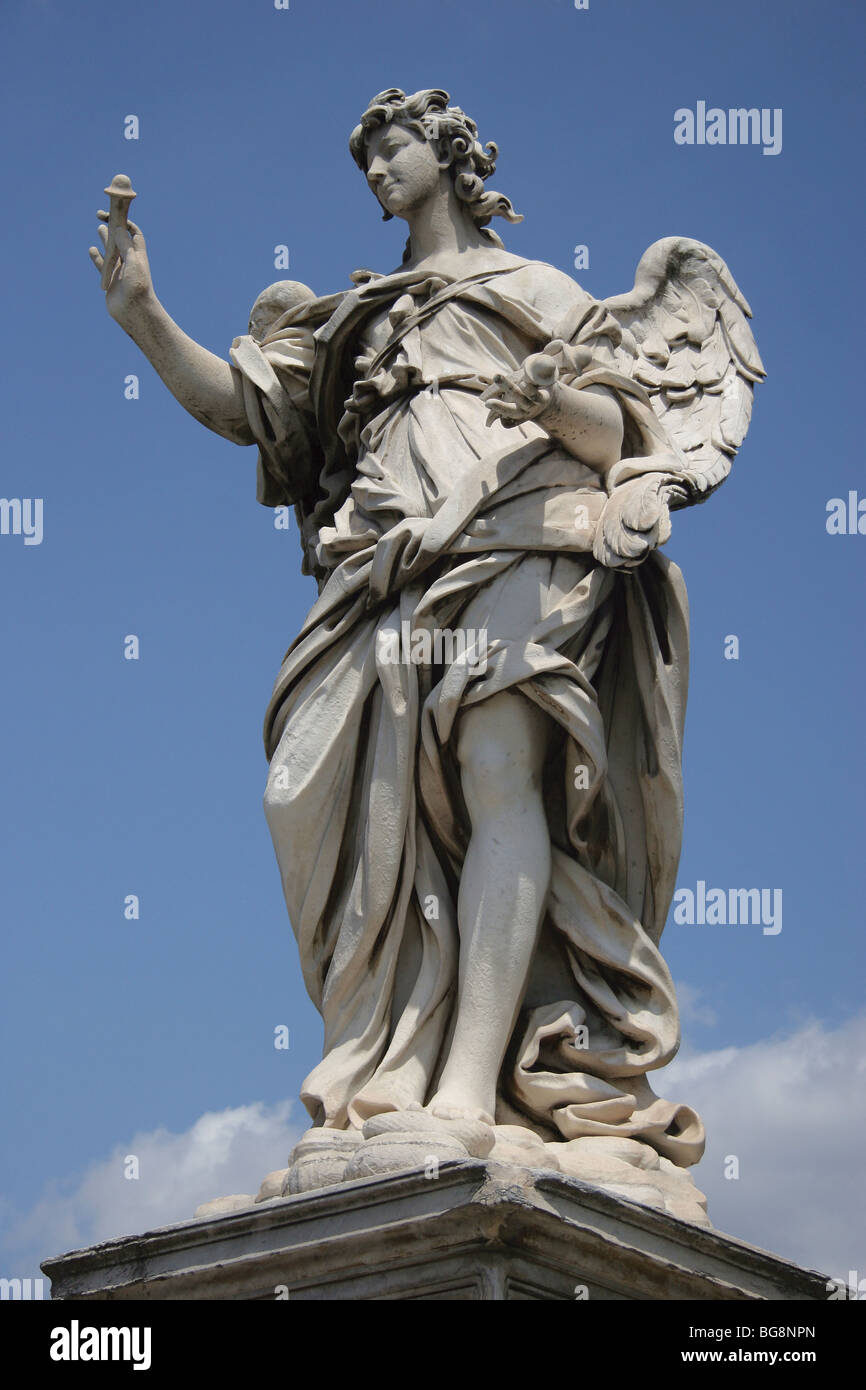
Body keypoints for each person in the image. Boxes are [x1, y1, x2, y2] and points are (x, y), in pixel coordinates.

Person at [90, 87, 705, 1174]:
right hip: (382, 570)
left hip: (516, 531)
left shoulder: (541, 288)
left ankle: (469, 1086)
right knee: (331, 802)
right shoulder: (358, 318)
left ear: (451, 153)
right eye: (366, 157)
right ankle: (392, 1062)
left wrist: (550, 402)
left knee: (496, 766)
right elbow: (247, 411)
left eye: (396, 146)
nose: (378, 168)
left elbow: (621, 434)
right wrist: (144, 314)